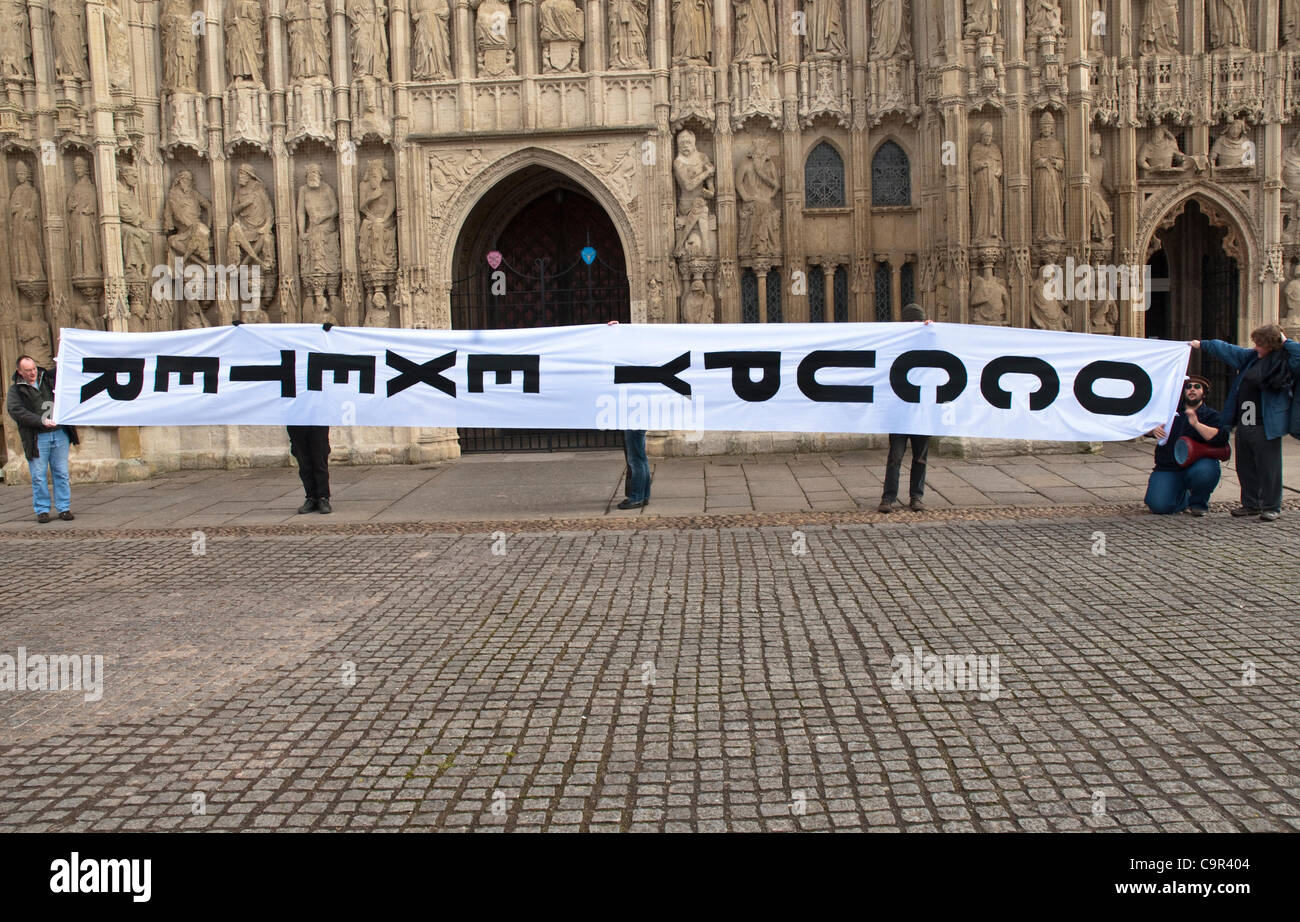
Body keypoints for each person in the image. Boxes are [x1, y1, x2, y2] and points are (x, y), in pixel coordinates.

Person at [1193, 325, 1300, 521]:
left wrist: (1286, 341)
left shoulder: (1285, 362)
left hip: (1265, 425)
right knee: (1245, 467)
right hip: (1245, 422)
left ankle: (1271, 506)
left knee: (1269, 468)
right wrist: (1203, 344)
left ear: (1271, 344)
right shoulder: (1251, 358)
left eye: (1260, 344)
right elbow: (1229, 350)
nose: (1256, 347)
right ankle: (1251, 504)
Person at [7, 356, 79, 523]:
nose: (32, 373)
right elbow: (17, 411)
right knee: (38, 475)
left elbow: (64, 369)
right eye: (27, 371)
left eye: (33, 369)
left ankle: (64, 508)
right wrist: (40, 421)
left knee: (61, 473)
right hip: (37, 437)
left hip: (60, 433)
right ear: (20, 372)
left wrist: (63, 347)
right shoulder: (16, 390)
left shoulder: (47, 378)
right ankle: (42, 509)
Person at [1143, 376, 1228, 516]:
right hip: (1169, 466)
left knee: (1205, 472)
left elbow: (1221, 438)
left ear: (1204, 393)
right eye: (1188, 387)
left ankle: (1198, 503)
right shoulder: (1170, 412)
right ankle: (1183, 497)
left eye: (1197, 387)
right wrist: (1152, 430)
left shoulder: (1211, 415)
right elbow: (1144, 428)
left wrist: (1196, 424)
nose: (1192, 390)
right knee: (1159, 506)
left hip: (1197, 465)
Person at [878, 304, 932, 513]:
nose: (916, 326)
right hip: (899, 410)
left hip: (922, 409)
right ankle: (888, 498)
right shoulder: (896, 342)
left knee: (920, 457)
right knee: (895, 457)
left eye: (919, 323)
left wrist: (933, 329)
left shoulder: (929, 340)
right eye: (912, 323)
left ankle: (916, 497)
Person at [287, 426, 332, 513]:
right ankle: (311, 497)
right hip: (296, 422)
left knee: (320, 459)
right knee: (303, 462)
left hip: (317, 421)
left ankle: (323, 497)